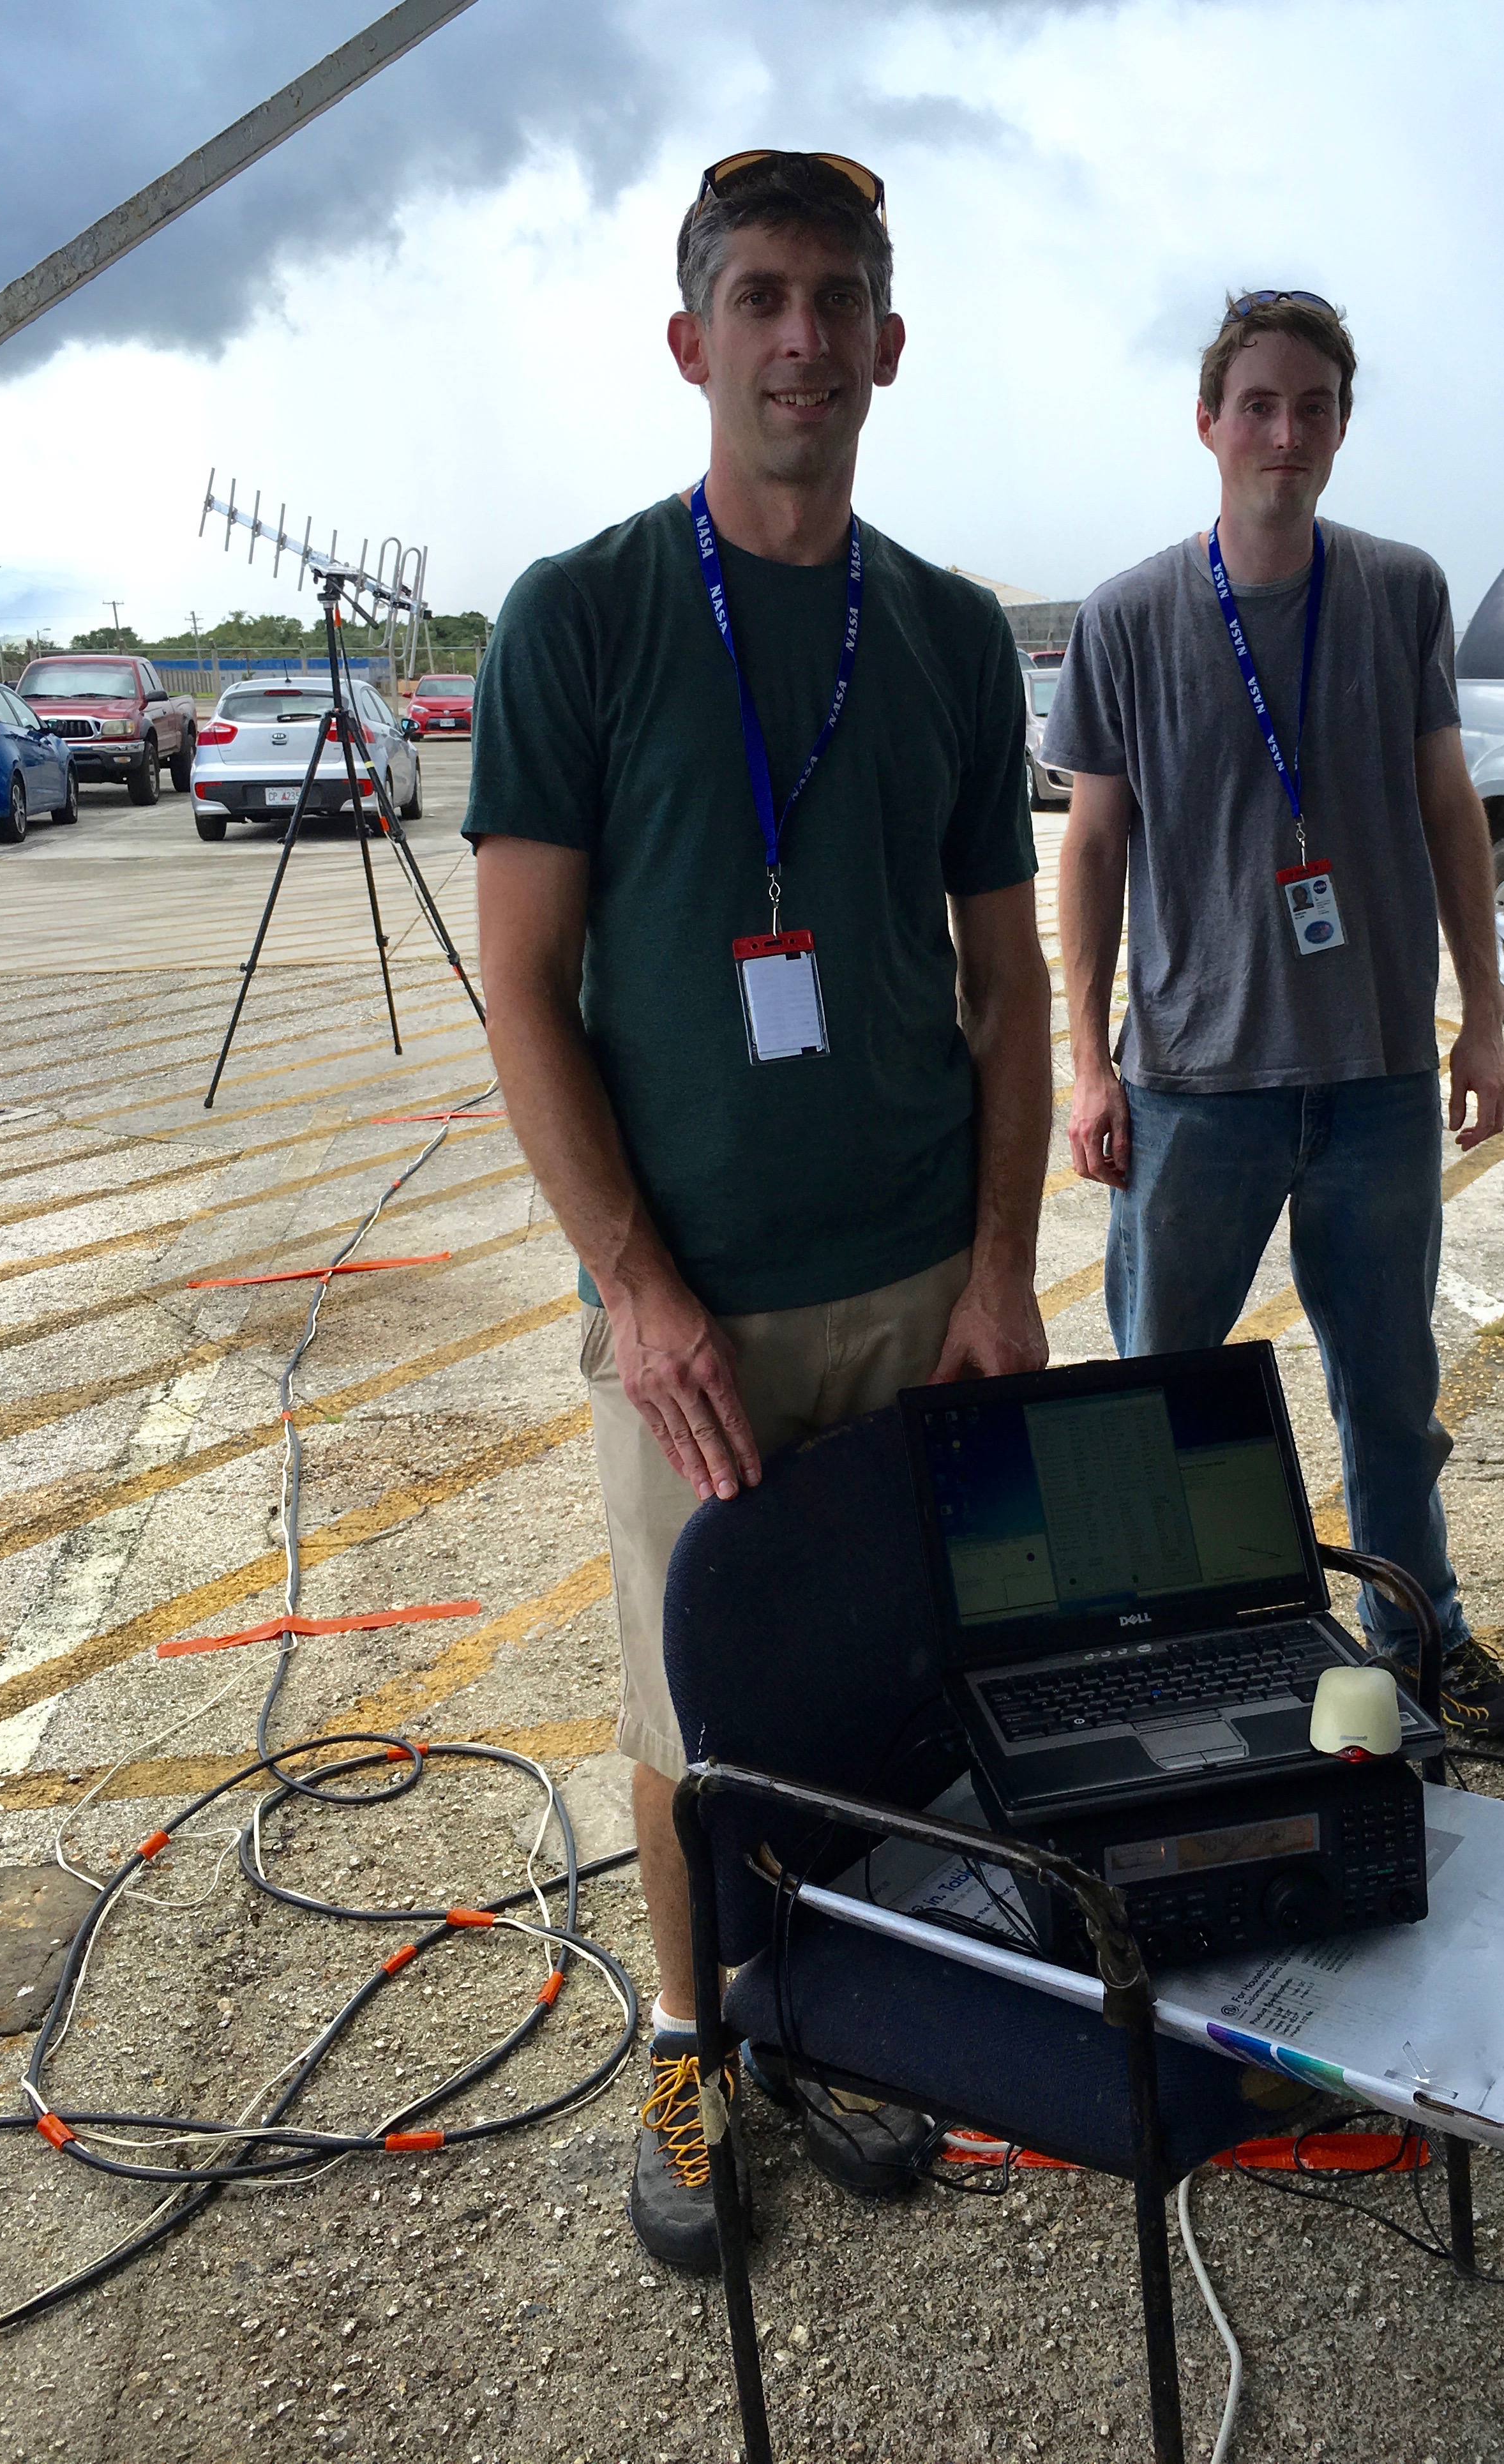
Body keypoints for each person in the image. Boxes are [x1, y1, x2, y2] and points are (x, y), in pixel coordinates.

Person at [463, 151, 1051, 2271]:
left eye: (834, 301)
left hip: (908, 1284)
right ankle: (695, 2047)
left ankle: (835, 2026)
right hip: (690, 1312)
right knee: (682, 1719)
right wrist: (633, 1290)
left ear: (885, 346)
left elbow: (1010, 982)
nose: (798, 337)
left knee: (891, 1698)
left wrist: (998, 1271)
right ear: (691, 339)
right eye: (759, 298)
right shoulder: (583, 614)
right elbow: (518, 981)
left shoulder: (951, 636)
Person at [1044, 288, 1504, 1742]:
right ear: (1205, 421)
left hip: (1376, 1078)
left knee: (1389, 1396)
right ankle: (1154, 1659)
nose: (1282, 430)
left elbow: (1446, 801)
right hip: (1194, 1085)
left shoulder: (1397, 591)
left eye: (1311, 405)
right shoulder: (1130, 615)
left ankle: (1416, 1631)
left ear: (1338, 426)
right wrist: (1090, 1065)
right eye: (1255, 403)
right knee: (1158, 1397)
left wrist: (1482, 1019)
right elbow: (1089, 845)